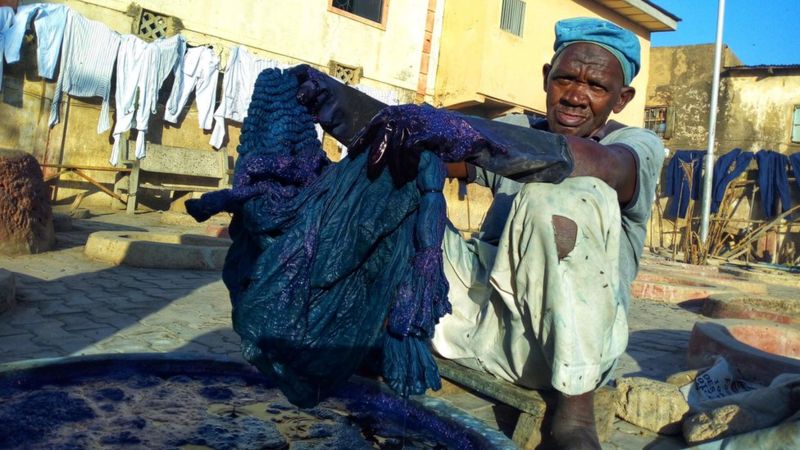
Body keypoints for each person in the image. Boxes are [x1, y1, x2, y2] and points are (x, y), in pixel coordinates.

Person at [294, 17, 664, 449]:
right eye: (565, 78)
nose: (576, 95)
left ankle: (576, 415)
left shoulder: (638, 146)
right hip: (473, 328)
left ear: (622, 99)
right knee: (399, 185)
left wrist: (463, 134)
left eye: (596, 87)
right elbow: (432, 156)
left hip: (563, 354)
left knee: (558, 196)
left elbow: (602, 165)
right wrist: (346, 111)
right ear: (547, 78)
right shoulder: (520, 129)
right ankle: (369, 331)